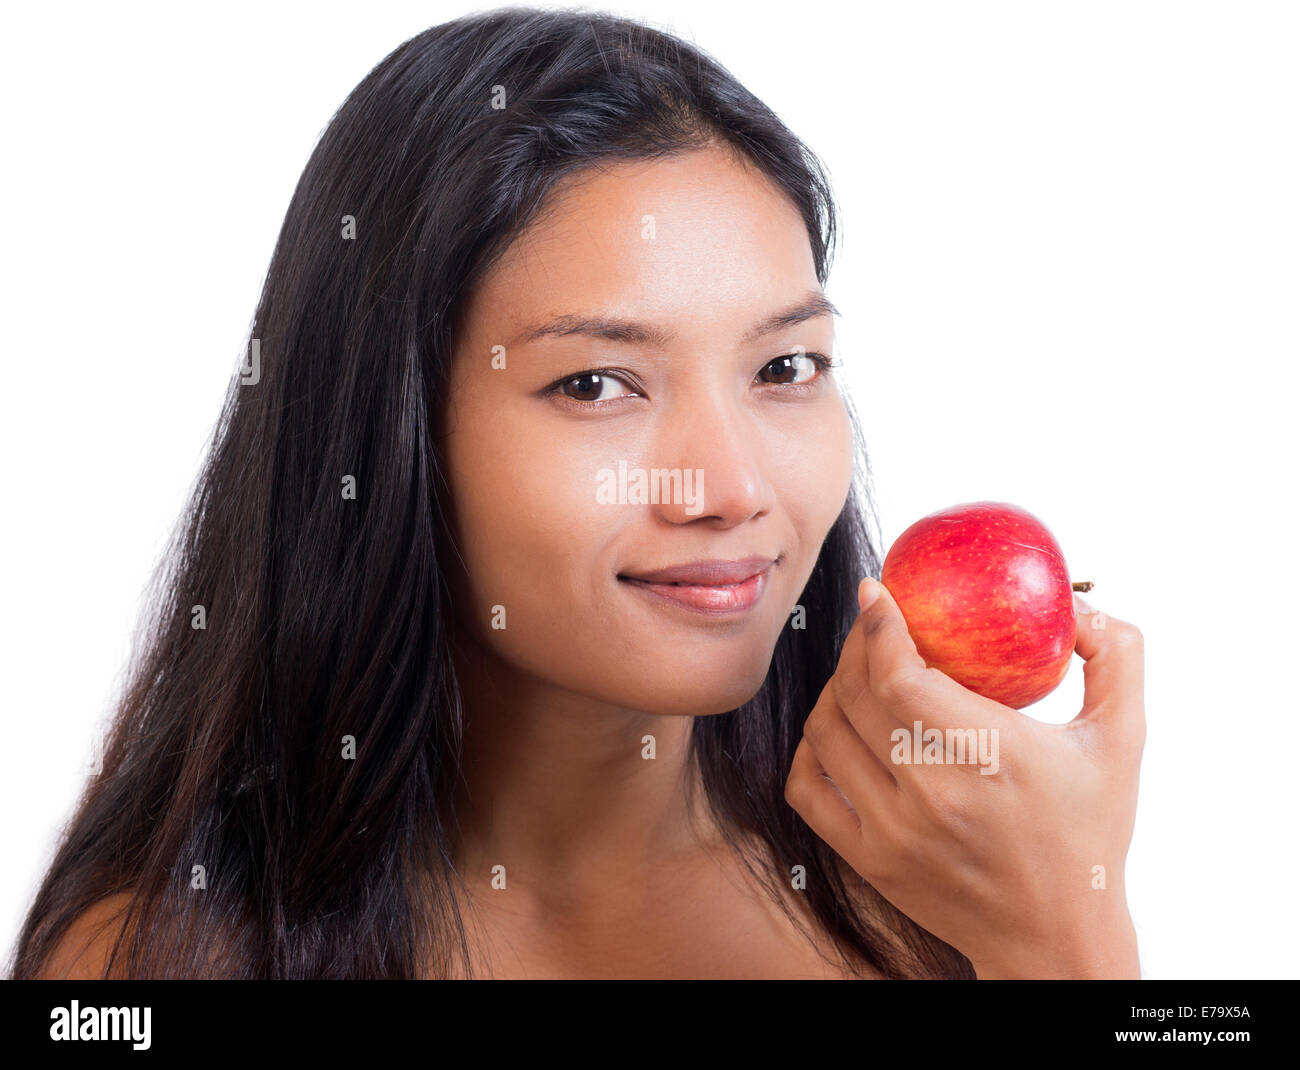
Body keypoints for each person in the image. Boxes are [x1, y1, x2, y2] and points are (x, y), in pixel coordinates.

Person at [11, 6, 1144, 980]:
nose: (732, 485)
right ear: (389, 429)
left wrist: (1065, 934)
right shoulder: (161, 956)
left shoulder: (938, 878)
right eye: (597, 382)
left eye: (783, 367)